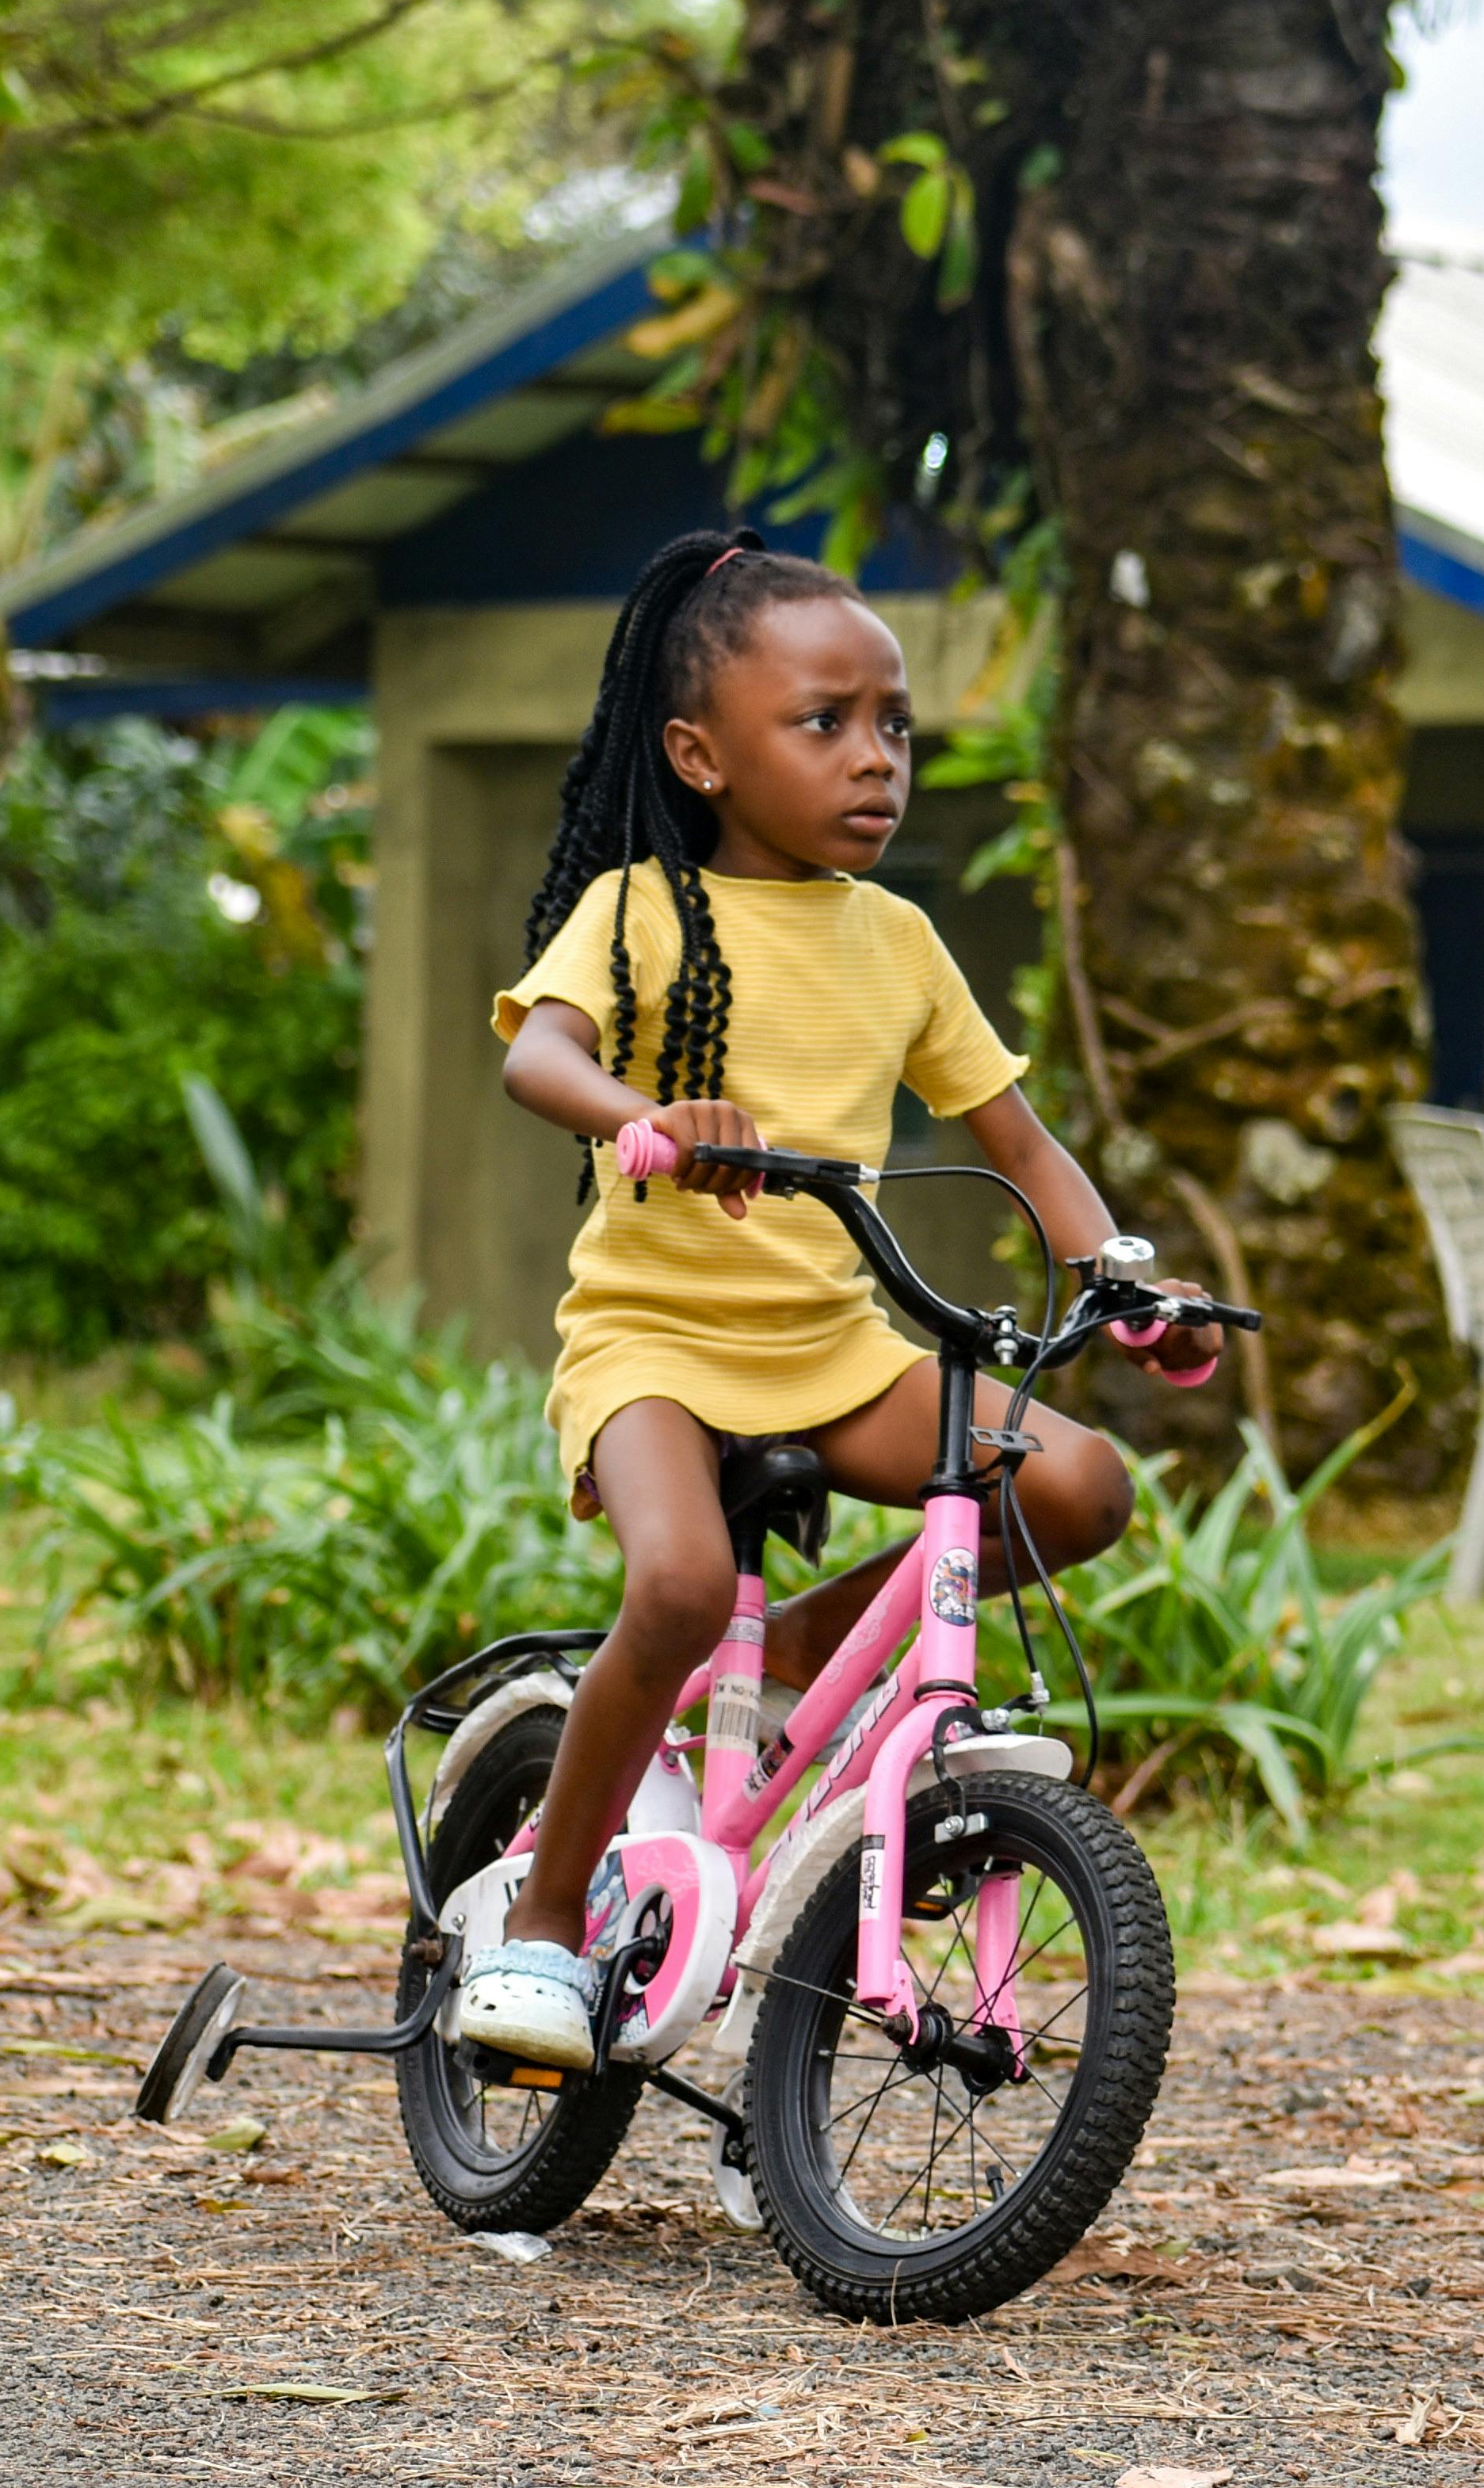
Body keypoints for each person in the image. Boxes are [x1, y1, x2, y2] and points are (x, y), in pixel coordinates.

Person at [462, 525, 1219, 2070]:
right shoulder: (641, 909)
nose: (877, 759)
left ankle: (808, 1645)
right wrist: (643, 1118)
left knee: (1077, 1485)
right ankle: (541, 1926)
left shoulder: (899, 942)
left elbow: (1021, 1141)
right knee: (680, 1587)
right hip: (655, 1347)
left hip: (832, 1347)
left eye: (896, 726)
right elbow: (539, 1053)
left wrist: (1128, 1276)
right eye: (825, 723)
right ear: (701, 755)